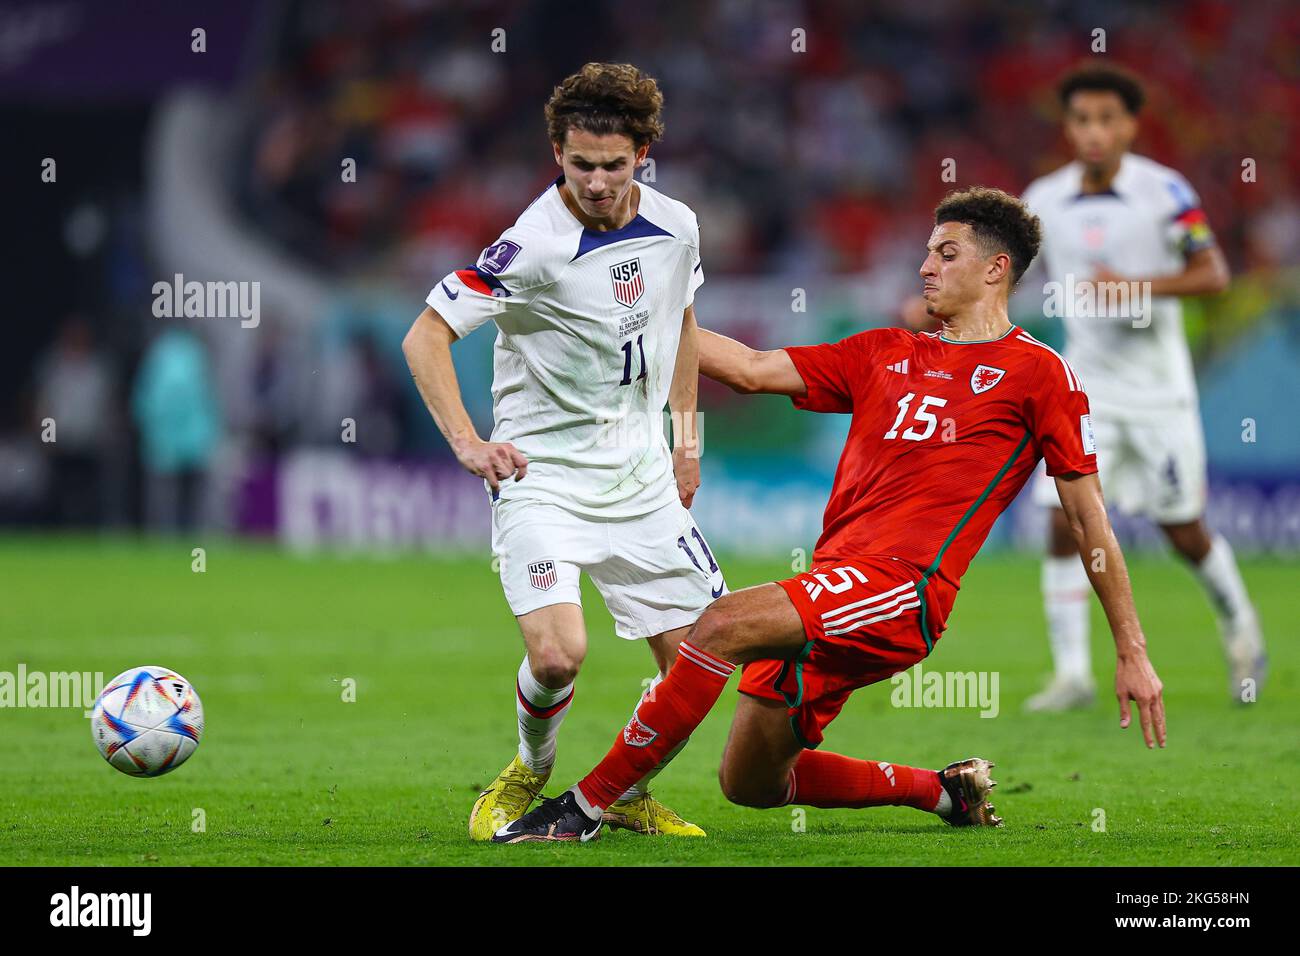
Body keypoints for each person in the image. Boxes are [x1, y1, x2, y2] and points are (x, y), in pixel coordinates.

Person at [495, 187, 1166, 843]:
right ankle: (942, 792)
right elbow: (754, 369)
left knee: (720, 623)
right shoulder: (885, 350)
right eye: (927, 252)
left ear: (997, 269)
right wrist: (636, 319)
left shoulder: (1039, 373)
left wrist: (1132, 650)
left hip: (904, 590)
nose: (925, 267)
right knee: (750, 782)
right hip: (833, 585)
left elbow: (1087, 520)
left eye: (947, 254)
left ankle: (579, 810)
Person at [403, 62, 723, 840]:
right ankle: (527, 773)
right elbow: (427, 336)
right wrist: (469, 443)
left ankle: (621, 790)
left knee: (700, 668)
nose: (599, 181)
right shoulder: (531, 246)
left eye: (614, 164)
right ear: (557, 152)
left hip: (641, 476)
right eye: (581, 164)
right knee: (557, 656)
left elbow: (683, 324)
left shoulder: (678, 225)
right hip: (541, 477)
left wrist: (685, 439)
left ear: (643, 152)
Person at [1019, 65, 1264, 709]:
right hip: (1084, 390)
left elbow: (1213, 273)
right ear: (1067, 127)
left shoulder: (1166, 192)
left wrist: (1134, 288)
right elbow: (1007, 270)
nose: (1094, 132)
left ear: (1130, 125)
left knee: (1183, 530)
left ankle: (1243, 631)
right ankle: (1072, 675)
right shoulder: (1044, 197)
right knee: (1058, 523)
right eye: (1081, 120)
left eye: (1107, 119)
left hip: (1158, 395)